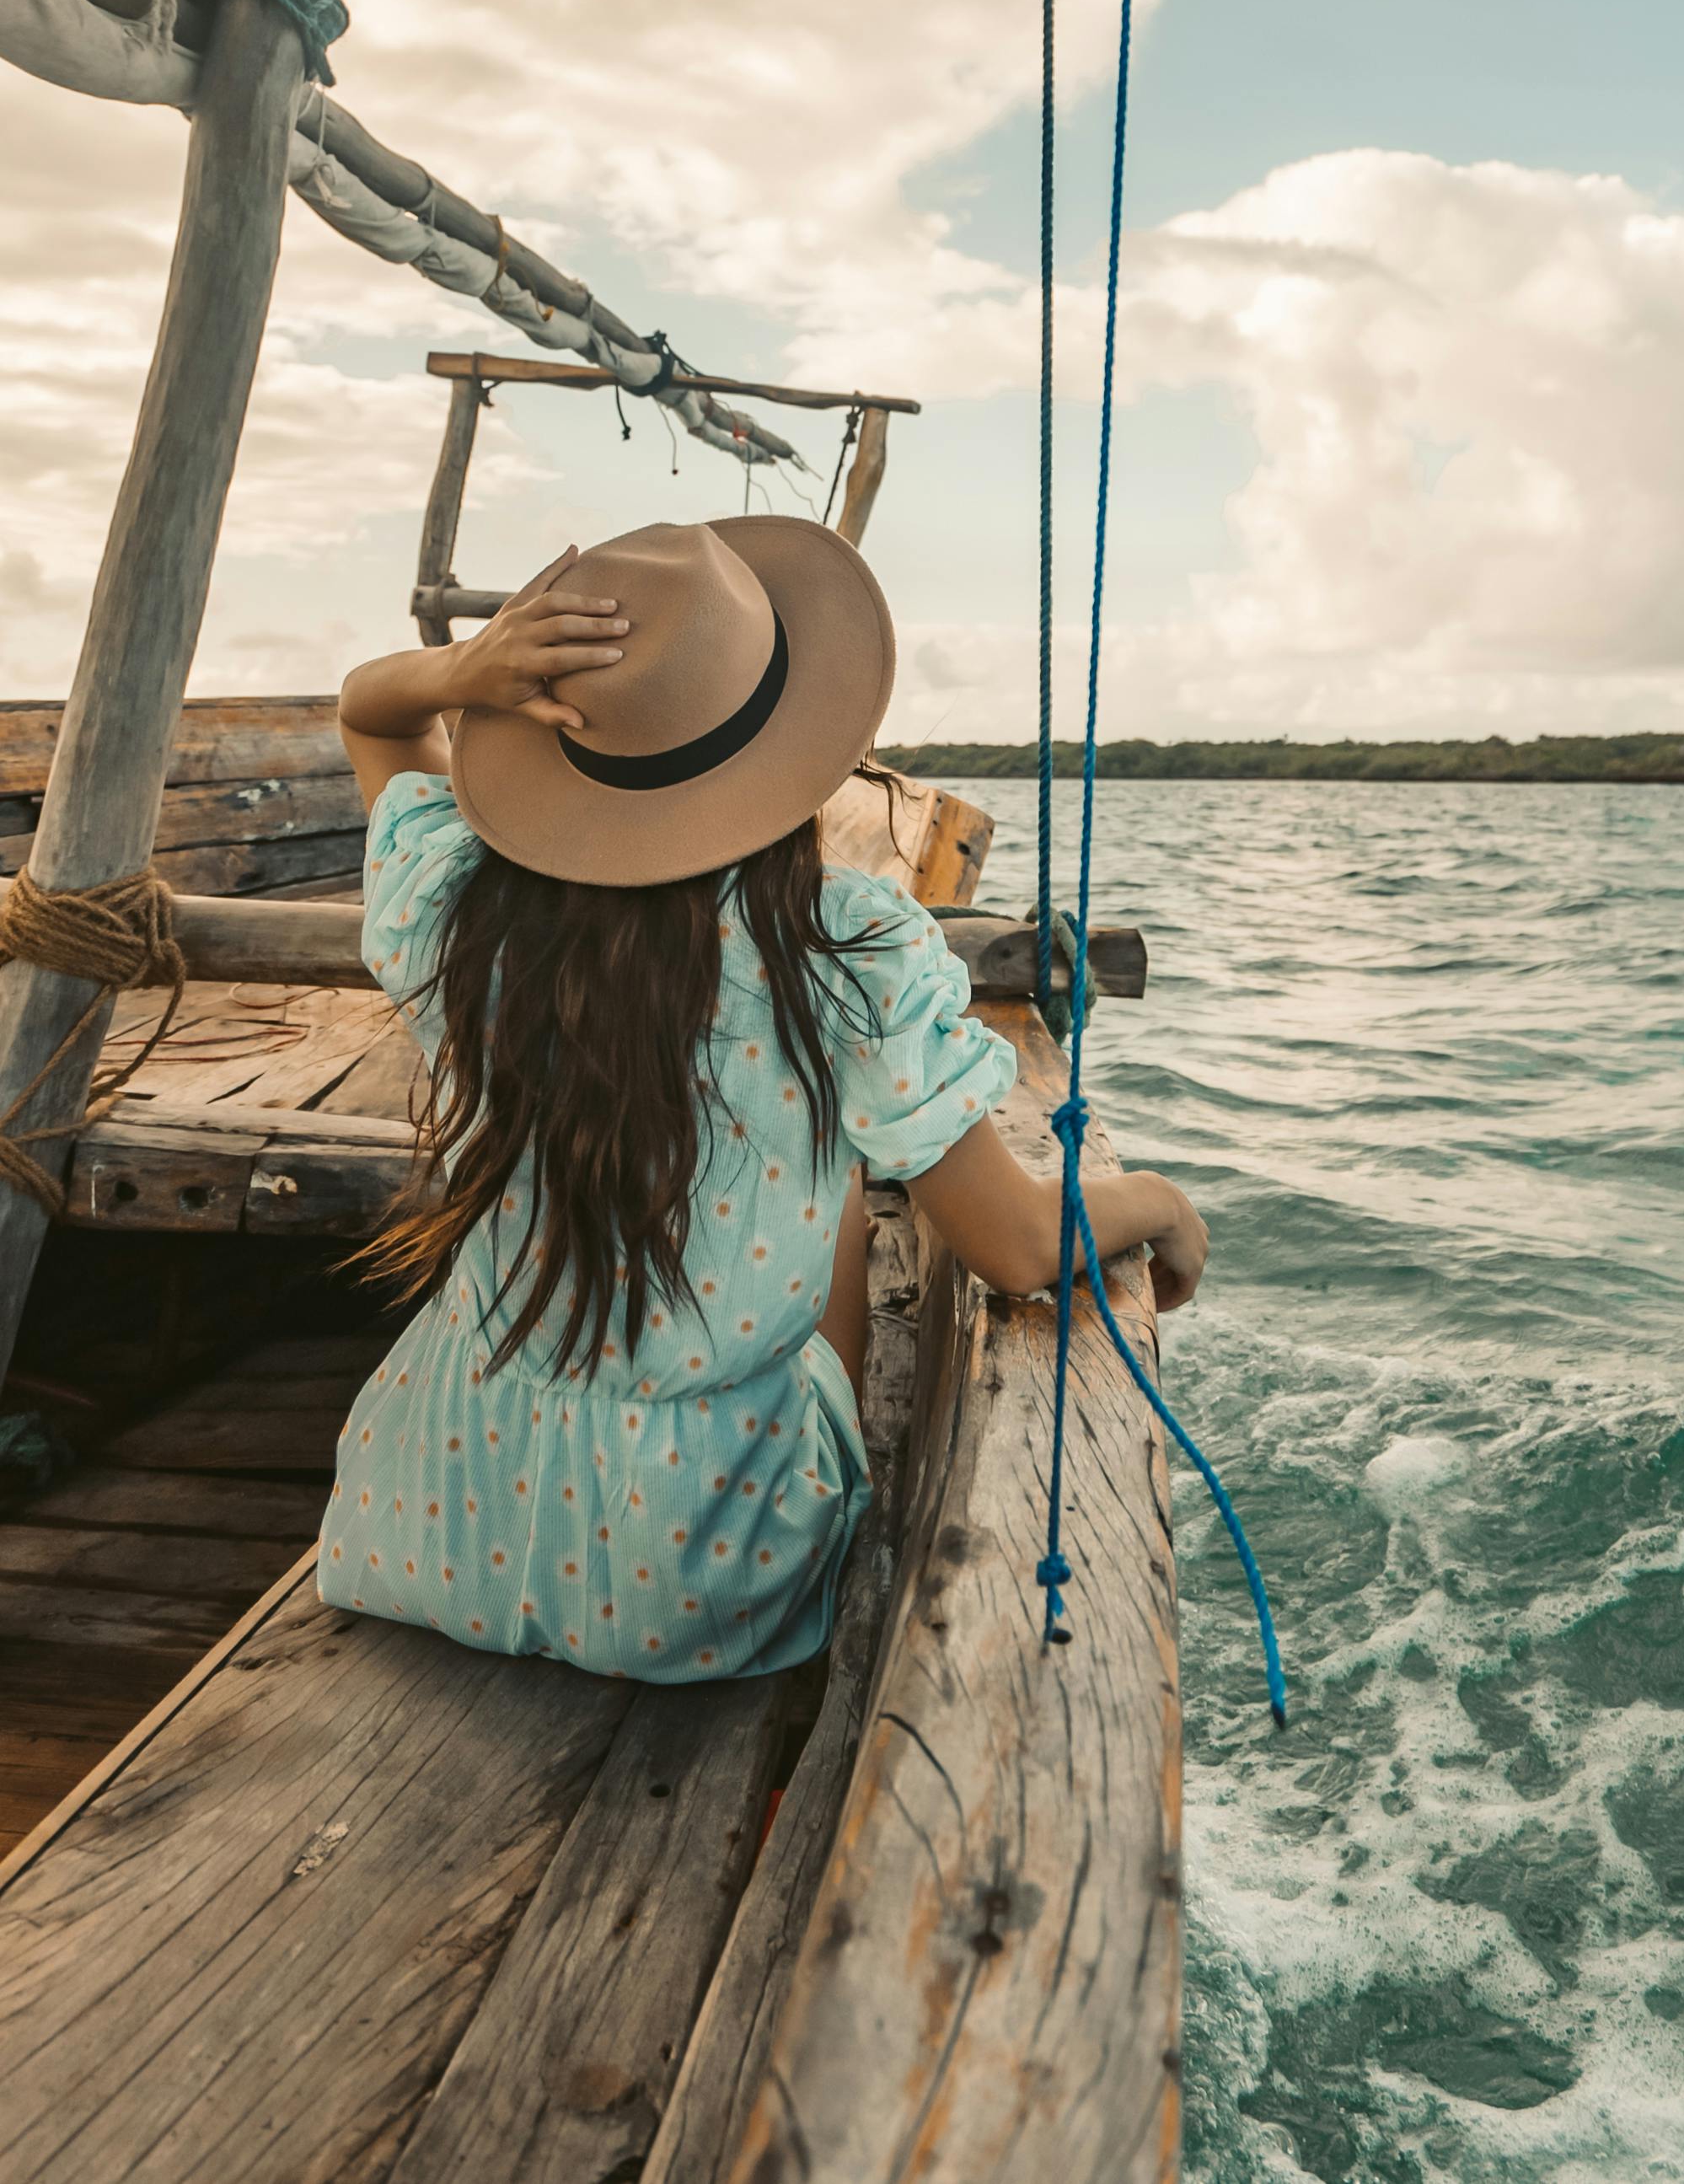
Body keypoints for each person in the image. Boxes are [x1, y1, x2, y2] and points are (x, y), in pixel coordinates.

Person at [320, 513, 1208, 1682]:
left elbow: (369, 711)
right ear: (792, 753)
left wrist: (455, 671)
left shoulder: (453, 898)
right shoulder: (839, 947)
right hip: (696, 1571)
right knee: (831, 1160)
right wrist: (1155, 1202)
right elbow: (1015, 1248)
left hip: (430, 1514)